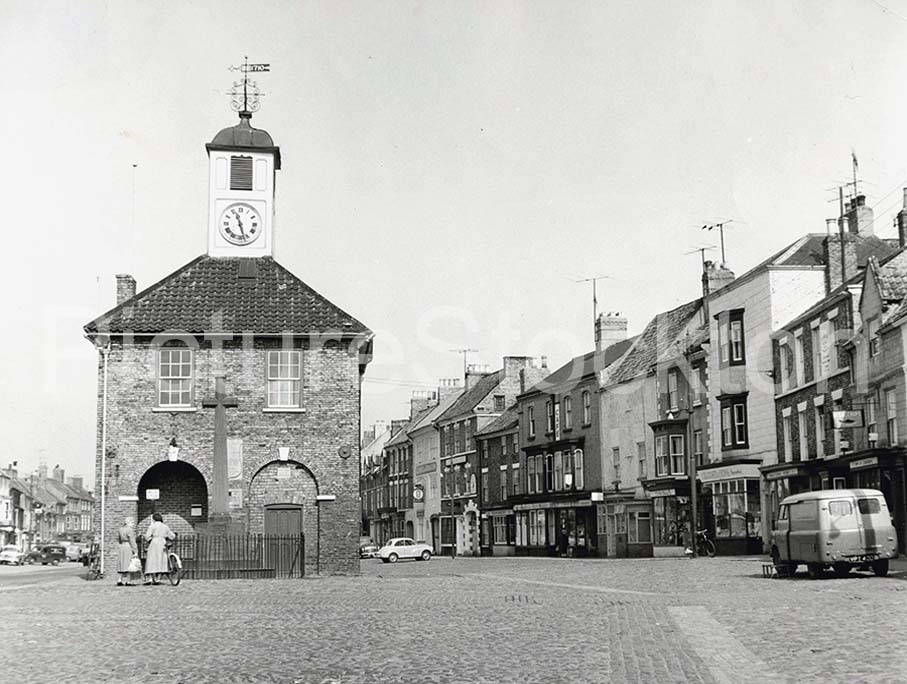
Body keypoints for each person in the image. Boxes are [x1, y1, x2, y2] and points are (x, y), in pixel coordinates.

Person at [143, 512, 175, 585]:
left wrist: (149, 539)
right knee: (161, 559)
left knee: (152, 559)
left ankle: (150, 578)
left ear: (154, 519)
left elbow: (147, 536)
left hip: (154, 543)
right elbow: (172, 536)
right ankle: (158, 579)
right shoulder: (165, 526)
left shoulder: (152, 526)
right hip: (162, 543)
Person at [115, 517, 140, 586]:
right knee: (129, 564)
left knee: (122, 563)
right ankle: (128, 581)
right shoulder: (130, 530)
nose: (133, 524)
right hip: (128, 546)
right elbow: (132, 541)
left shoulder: (121, 529)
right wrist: (135, 551)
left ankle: (120, 579)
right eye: (132, 523)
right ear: (128, 523)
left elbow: (119, 539)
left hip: (122, 546)